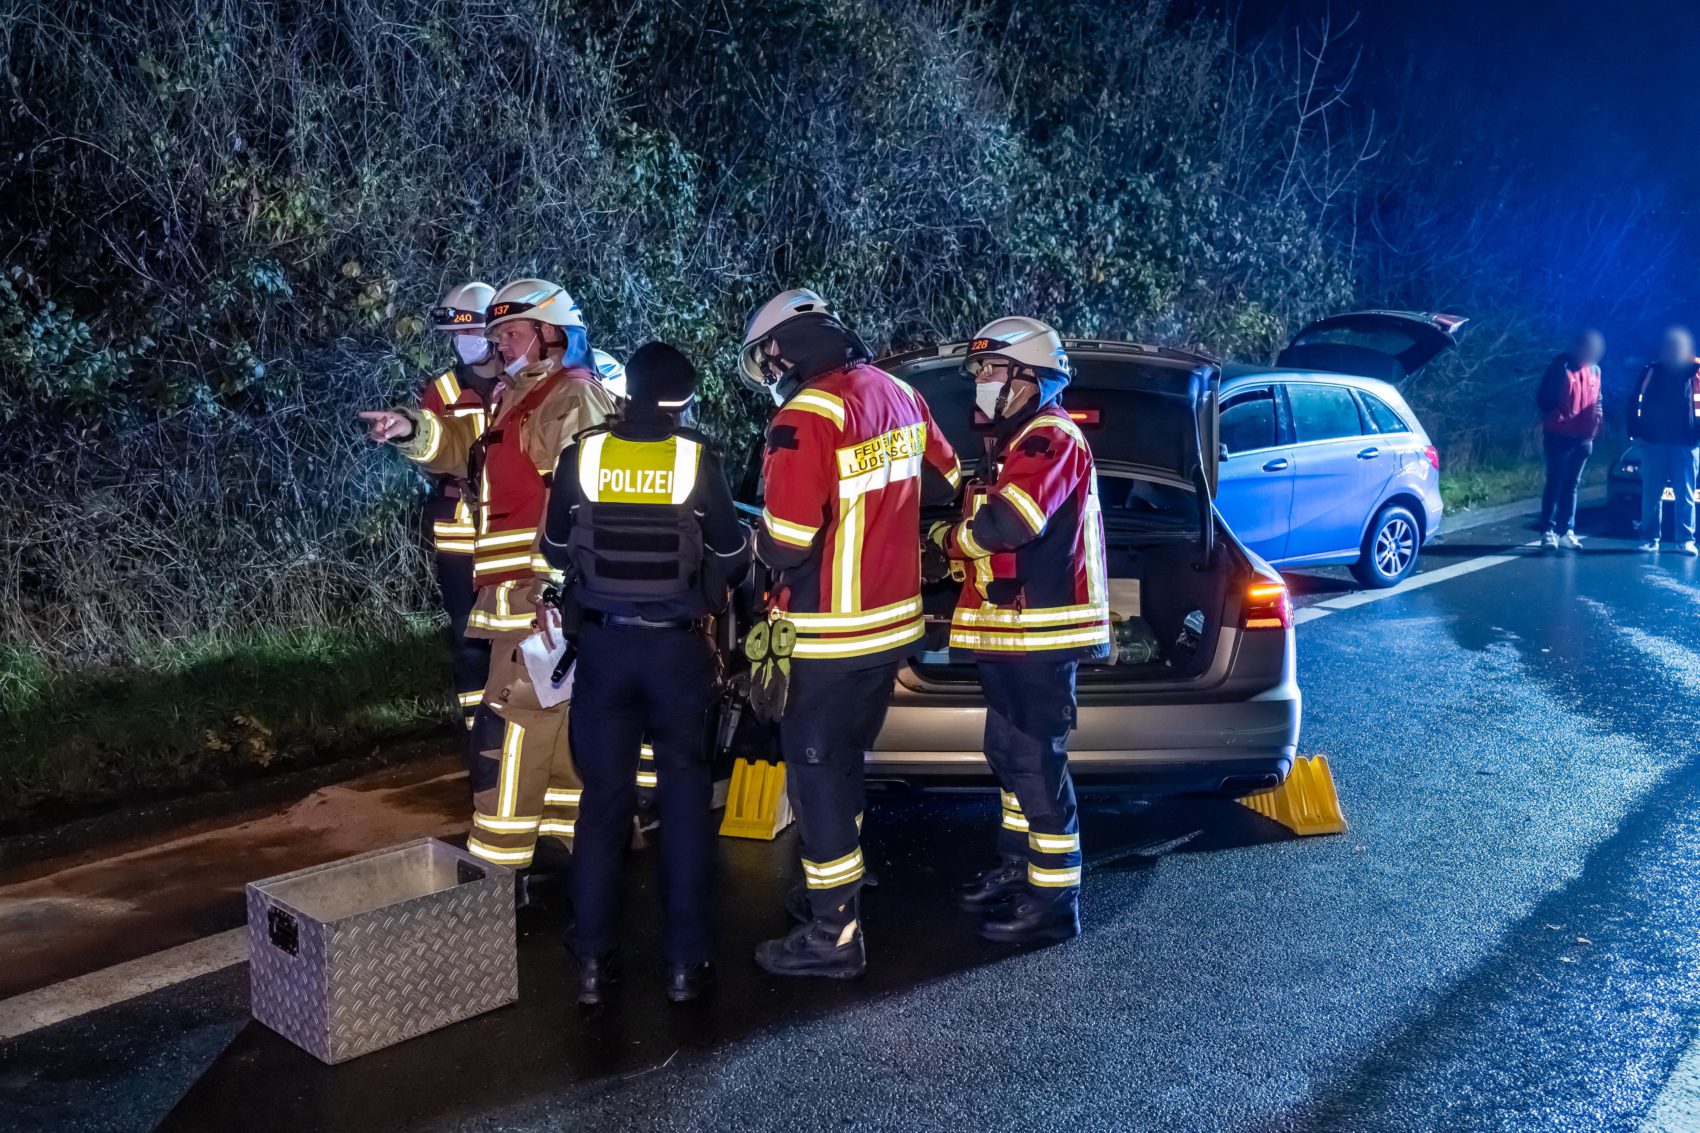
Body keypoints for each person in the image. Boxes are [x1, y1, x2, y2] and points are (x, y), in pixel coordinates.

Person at [360, 278, 618, 895]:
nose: (499, 344)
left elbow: (583, 504)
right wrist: (410, 431)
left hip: (540, 601)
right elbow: (467, 452)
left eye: (511, 332)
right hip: (514, 599)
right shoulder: (518, 396)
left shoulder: (570, 399)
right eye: (495, 333)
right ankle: (578, 851)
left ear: (552, 334)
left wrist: (557, 589)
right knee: (553, 727)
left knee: (509, 733)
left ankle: (497, 874)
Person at [739, 287, 960, 980]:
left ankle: (833, 935)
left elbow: (790, 541)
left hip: (827, 636)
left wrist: (750, 538)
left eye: (768, 354)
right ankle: (837, 885)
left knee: (816, 775)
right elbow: (948, 479)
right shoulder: (898, 393)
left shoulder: (805, 417)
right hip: (891, 628)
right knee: (844, 766)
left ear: (785, 347)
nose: (769, 368)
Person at [540, 342, 751, 1006]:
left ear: (625, 389)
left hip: (603, 652)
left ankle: (593, 966)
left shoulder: (585, 454)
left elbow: (551, 548)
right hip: (677, 654)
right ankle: (686, 965)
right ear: (684, 400)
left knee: (601, 805)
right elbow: (733, 554)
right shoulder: (695, 459)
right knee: (685, 805)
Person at [931, 317, 1109, 946]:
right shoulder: (1016, 443)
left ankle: (1055, 898)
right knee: (1007, 755)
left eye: (991, 370)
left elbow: (1010, 523)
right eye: (978, 370)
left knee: (1035, 761)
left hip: (1042, 635)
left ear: (1032, 378)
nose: (979, 382)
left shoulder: (1051, 439)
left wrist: (944, 539)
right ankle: (1020, 866)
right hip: (1007, 634)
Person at [420, 283, 501, 746]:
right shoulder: (443, 390)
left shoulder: (523, 384)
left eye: (466, 332)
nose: (459, 343)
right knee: (469, 641)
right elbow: (432, 453)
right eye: (452, 335)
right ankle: (481, 740)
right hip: (460, 537)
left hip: (514, 534)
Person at [1628, 326, 1700, 555]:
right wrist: (1636, 432)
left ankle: (1685, 540)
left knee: (1686, 495)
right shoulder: (1652, 370)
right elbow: (1635, 402)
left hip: (1687, 443)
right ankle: (1649, 538)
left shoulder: (1697, 371)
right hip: (1654, 442)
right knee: (1651, 493)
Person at [1535, 328, 1604, 549]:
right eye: (1588, 348)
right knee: (1555, 482)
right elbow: (1543, 396)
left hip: (1584, 438)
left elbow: (1598, 399)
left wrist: (1597, 423)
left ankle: (1567, 530)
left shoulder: (1595, 370)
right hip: (1559, 433)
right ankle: (1548, 530)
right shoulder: (1560, 366)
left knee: (1572, 484)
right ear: (1578, 347)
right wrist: (1555, 413)